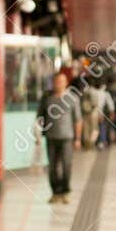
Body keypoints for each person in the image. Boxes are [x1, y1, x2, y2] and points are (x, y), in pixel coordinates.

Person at [36, 69, 81, 204]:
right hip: (51, 137)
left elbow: (78, 120)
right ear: (53, 83)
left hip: (67, 138)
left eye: (61, 81)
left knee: (67, 166)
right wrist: (38, 135)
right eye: (56, 81)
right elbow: (40, 118)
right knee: (52, 167)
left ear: (66, 83)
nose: (59, 84)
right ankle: (55, 192)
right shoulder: (47, 99)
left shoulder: (72, 99)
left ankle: (65, 192)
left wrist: (78, 139)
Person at [80, 75, 104, 151]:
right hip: (93, 113)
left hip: (85, 112)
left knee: (86, 128)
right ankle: (91, 143)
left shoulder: (84, 91)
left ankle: (86, 143)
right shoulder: (95, 92)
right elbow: (96, 104)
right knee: (94, 129)